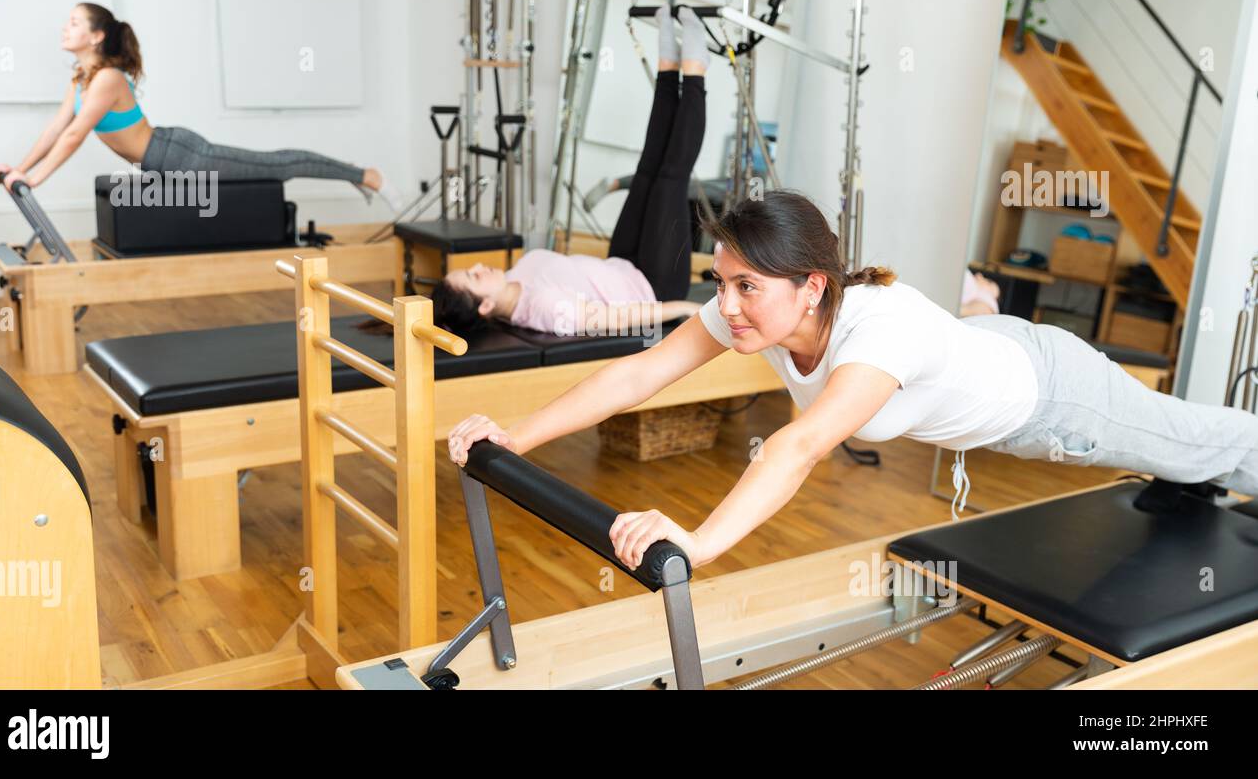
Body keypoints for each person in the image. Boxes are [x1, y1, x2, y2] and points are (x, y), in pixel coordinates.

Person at [448, 189, 1258, 573]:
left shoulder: (878, 330)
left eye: (744, 288)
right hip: (991, 348)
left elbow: (799, 447)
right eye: (720, 282)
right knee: (1187, 458)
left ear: (812, 287)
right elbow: (633, 377)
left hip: (1054, 400)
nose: (723, 306)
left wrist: (697, 542)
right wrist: (512, 437)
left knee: (1208, 444)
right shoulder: (756, 313)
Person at [413, 6, 712, 337]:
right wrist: (687, 309)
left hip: (622, 265)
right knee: (670, 178)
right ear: (484, 306)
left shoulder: (514, 280)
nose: (479, 267)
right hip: (655, 286)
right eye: (473, 277)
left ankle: (668, 67)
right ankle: (696, 70)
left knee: (646, 171)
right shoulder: (544, 309)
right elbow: (614, 321)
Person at [0, 3, 383, 198]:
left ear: (96, 37)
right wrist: (22, 168)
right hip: (162, 160)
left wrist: (35, 180)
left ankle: (364, 175)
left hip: (181, 155)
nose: (66, 26)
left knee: (277, 165)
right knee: (275, 165)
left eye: (75, 22)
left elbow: (75, 134)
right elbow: (56, 129)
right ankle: (356, 174)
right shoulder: (81, 79)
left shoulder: (108, 79)